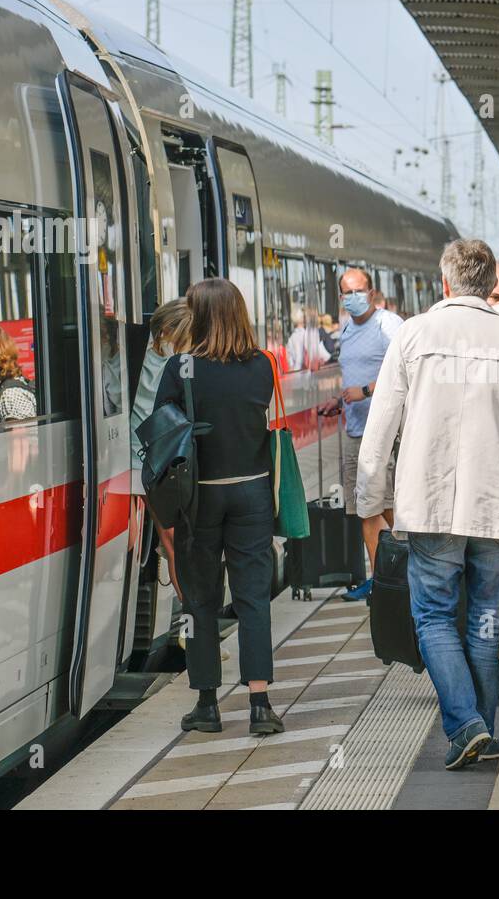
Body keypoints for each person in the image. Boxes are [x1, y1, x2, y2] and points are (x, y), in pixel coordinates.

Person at [355, 239, 499, 769]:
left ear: (443, 283)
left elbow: (381, 427)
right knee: (488, 615)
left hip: (430, 502)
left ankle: (466, 726)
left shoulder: (413, 335)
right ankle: (482, 729)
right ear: (491, 285)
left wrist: (369, 501)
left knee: (436, 616)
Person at [152, 278, 282, 737]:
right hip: (252, 491)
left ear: (199, 314)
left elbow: (161, 433)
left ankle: (207, 704)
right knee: (252, 599)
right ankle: (260, 704)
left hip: (200, 496)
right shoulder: (263, 364)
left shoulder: (180, 367)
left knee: (201, 599)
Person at [330, 267, 403, 601]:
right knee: (363, 509)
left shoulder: (388, 326)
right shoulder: (346, 329)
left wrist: (365, 390)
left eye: (359, 291)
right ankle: (380, 580)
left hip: (384, 431)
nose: (354, 298)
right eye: (347, 292)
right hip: (355, 430)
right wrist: (341, 399)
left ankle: (406, 570)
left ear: (372, 292)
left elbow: (403, 368)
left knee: (386, 507)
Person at [131, 299, 192, 585]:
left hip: (160, 459)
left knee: (175, 542)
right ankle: (194, 615)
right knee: (174, 542)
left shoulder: (136, 357)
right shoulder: (173, 362)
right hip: (153, 462)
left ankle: (194, 615)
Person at [285, 305, 331, 372]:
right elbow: (315, 352)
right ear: (302, 319)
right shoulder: (308, 334)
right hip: (307, 371)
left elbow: (290, 360)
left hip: (295, 372)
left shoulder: (291, 338)